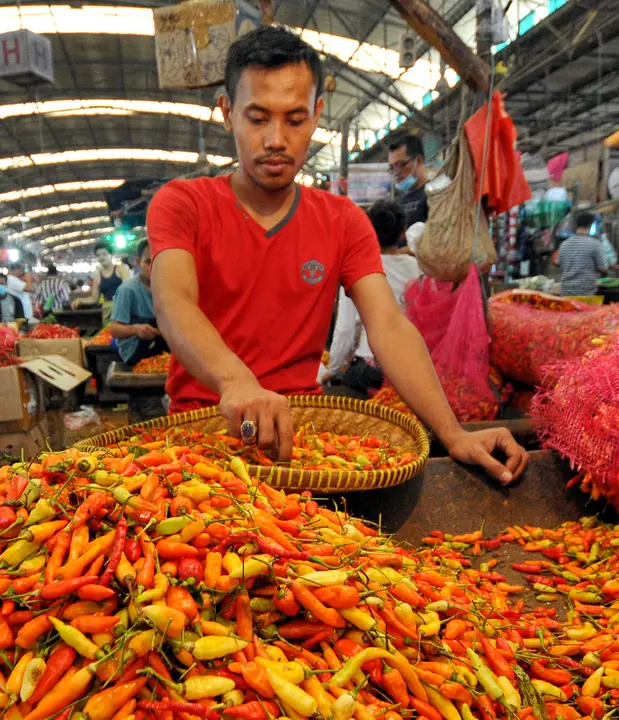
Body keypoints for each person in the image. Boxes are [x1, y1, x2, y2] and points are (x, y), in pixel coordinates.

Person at [147, 27, 527, 485]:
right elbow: (173, 303)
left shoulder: (342, 220)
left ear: (317, 115)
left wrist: (452, 432)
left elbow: (387, 325)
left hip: (305, 439)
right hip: (199, 436)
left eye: (294, 119)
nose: (275, 139)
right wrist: (236, 382)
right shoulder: (182, 204)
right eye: (257, 117)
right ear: (227, 113)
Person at [321, 199, 422, 393]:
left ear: (368, 232)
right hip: (411, 368)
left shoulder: (358, 269)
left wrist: (332, 370)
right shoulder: (417, 268)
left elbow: (345, 330)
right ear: (402, 233)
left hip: (370, 370)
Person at [110, 241, 167, 366]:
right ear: (137, 262)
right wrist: (135, 329)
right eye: (148, 262)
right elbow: (114, 329)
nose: (153, 267)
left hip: (160, 343)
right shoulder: (128, 289)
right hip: (134, 349)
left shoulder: (167, 287)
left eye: (157, 261)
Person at [556, 211, 610, 297]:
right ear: (591, 225)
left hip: (566, 292)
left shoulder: (564, 244)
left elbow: (558, 263)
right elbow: (603, 268)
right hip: (586, 293)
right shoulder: (595, 244)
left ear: (576, 225)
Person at [388, 135, 429, 228]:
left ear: (418, 161)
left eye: (401, 165)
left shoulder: (435, 196)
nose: (396, 173)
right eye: (392, 168)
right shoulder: (398, 203)